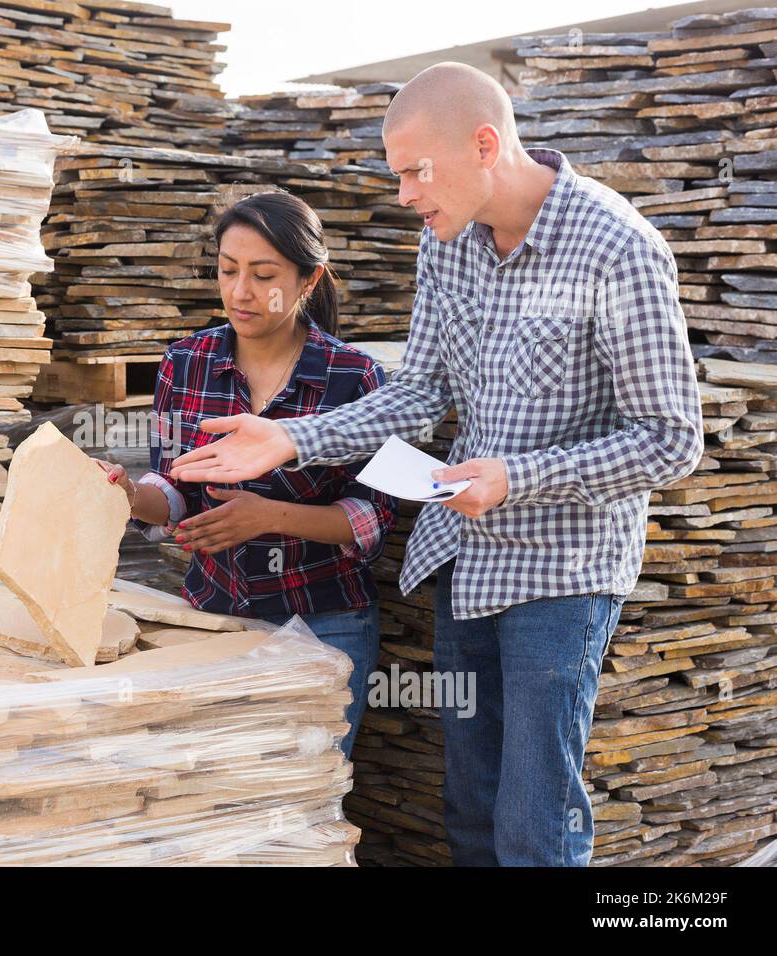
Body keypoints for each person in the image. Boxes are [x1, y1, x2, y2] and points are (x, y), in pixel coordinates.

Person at [168, 63, 704, 866]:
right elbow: (418, 392)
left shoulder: (617, 249)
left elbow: (671, 438)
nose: (407, 194)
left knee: (533, 821)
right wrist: (292, 440)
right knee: (470, 811)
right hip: (467, 560)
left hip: (564, 573)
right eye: (397, 175)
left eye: (417, 171)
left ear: (486, 145)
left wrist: (517, 477)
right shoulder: (446, 245)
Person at [97, 190, 396, 758]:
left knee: (308, 795)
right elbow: (175, 489)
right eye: (228, 270)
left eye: (263, 275)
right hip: (211, 616)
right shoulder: (185, 362)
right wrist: (130, 494)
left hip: (324, 621)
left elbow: (370, 519)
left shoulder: (352, 377)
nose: (240, 291)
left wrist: (266, 518)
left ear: (309, 280)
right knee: (224, 793)